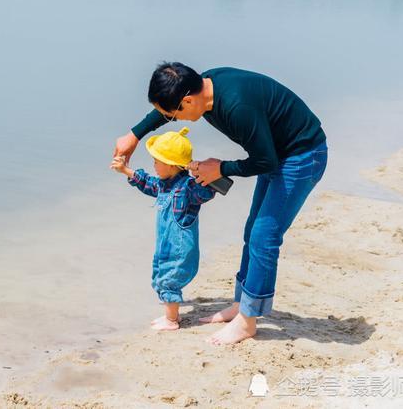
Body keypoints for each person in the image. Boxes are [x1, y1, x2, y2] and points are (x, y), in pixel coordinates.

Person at [113, 62, 328, 344]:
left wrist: (221, 168)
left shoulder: (237, 107)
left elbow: (265, 162)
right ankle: (242, 305)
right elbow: (169, 108)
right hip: (276, 152)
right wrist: (135, 135)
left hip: (301, 157)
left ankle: (248, 322)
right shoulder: (205, 85)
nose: (172, 120)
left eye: (172, 115)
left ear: (187, 101)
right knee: (252, 231)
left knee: (265, 237)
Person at [111, 127, 215, 331]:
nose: (154, 164)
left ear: (171, 164)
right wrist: (125, 170)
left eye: (157, 161)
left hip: (180, 248)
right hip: (165, 245)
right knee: (160, 274)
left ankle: (171, 320)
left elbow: (208, 191)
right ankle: (169, 312)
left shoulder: (188, 189)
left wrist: (198, 170)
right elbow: (147, 183)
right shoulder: (164, 184)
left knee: (169, 279)